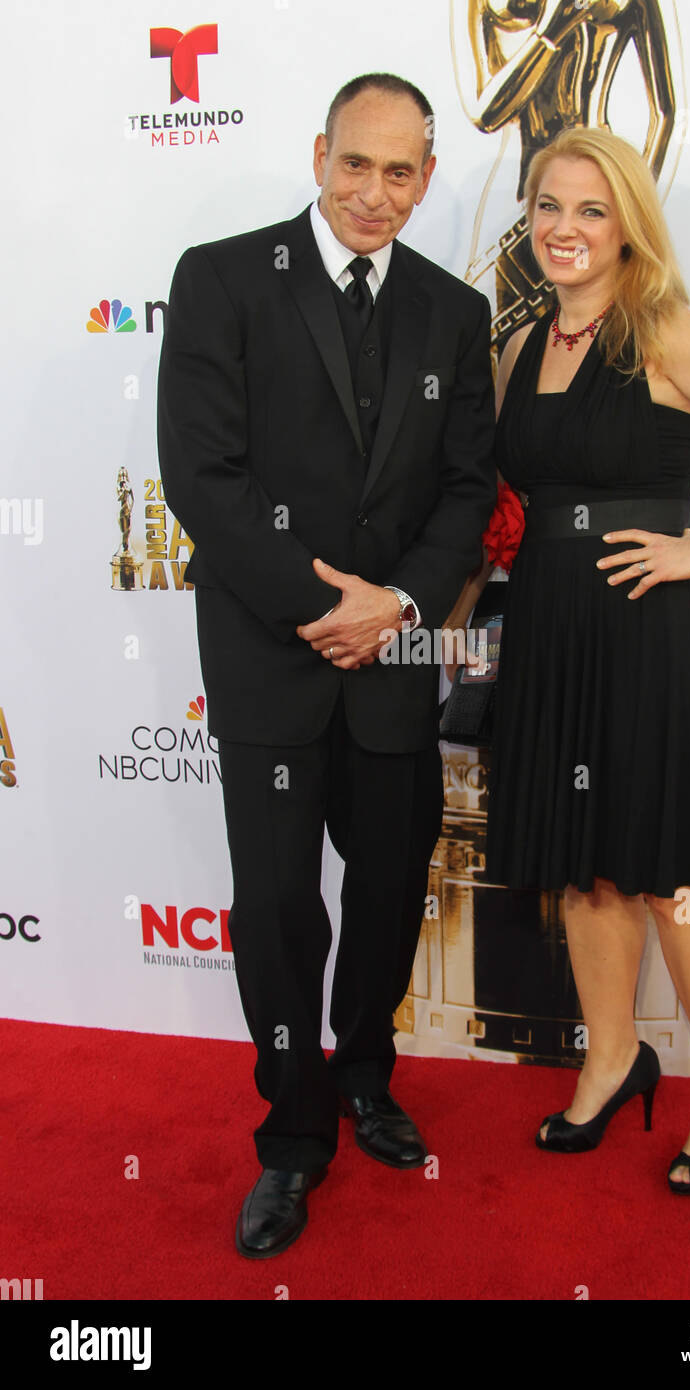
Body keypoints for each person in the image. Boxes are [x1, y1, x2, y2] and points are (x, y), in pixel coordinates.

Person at [157, 73, 496, 1256]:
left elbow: (464, 491)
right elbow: (203, 478)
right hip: (270, 659)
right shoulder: (222, 277)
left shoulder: (453, 312)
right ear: (318, 154)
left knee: (391, 891)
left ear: (426, 177)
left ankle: (364, 1076)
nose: (374, 192)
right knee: (277, 912)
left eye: (401, 171)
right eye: (357, 163)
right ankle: (294, 1134)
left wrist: (396, 605)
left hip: (394, 659)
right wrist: (327, 609)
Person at [460, 126, 690, 1193]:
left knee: (676, 876)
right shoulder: (521, 343)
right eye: (546, 207)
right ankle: (612, 1056)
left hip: (653, 634)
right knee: (582, 865)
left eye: (589, 210)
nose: (563, 229)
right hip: (550, 631)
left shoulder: (658, 329)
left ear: (626, 227)